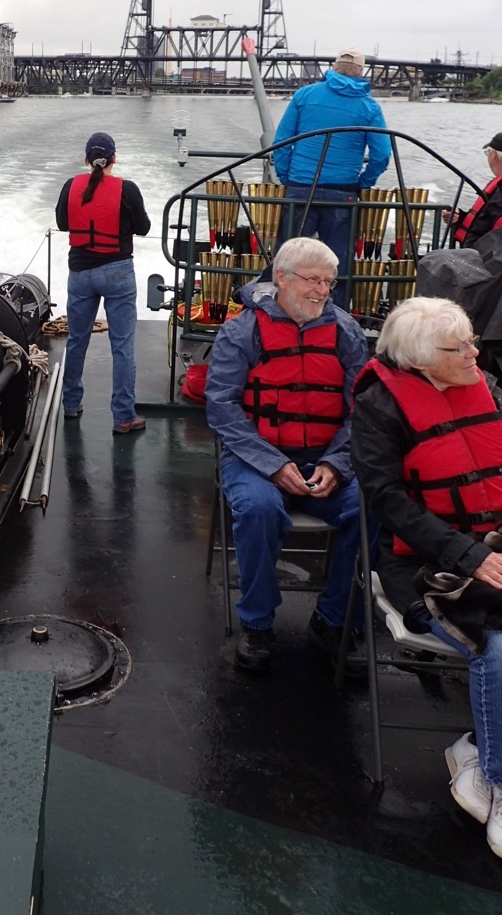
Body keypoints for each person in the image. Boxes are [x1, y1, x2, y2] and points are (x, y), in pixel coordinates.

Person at [351, 297, 502, 858]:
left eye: (471, 342)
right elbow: (386, 499)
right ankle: (498, 778)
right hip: (423, 561)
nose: (473, 353)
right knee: (495, 639)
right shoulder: (379, 407)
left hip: (492, 538)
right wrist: (467, 555)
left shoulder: (482, 383)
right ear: (418, 362)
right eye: (457, 348)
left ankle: (476, 754)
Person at [205, 236, 367, 674]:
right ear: (281, 278)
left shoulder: (346, 331)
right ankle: (257, 623)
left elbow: (365, 410)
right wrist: (273, 465)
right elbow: (221, 405)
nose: (321, 291)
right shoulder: (243, 330)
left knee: (373, 510)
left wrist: (338, 462)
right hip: (255, 457)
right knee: (259, 509)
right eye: (312, 280)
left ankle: (333, 618)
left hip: (327, 458)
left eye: (328, 283)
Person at [273, 48, 390, 303]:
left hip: (300, 189)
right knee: (337, 262)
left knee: (289, 256)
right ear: (361, 72)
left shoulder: (305, 95)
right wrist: (363, 183)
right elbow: (381, 154)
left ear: (333, 68)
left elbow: (281, 142)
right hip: (342, 193)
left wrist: (286, 176)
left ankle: (283, 311)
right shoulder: (369, 106)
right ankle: (334, 318)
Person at [55, 132, 150, 435]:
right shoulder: (128, 189)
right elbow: (144, 228)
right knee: (122, 346)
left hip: (80, 274)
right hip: (117, 273)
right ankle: (123, 417)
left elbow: (62, 223)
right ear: (114, 158)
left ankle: (71, 405)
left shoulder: (71, 186)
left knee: (77, 340)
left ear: (86, 159)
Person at [449, 134, 502, 248]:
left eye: (488, 152)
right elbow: (486, 222)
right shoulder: (497, 190)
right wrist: (461, 218)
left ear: (493, 155)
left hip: (482, 261)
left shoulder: (499, 194)